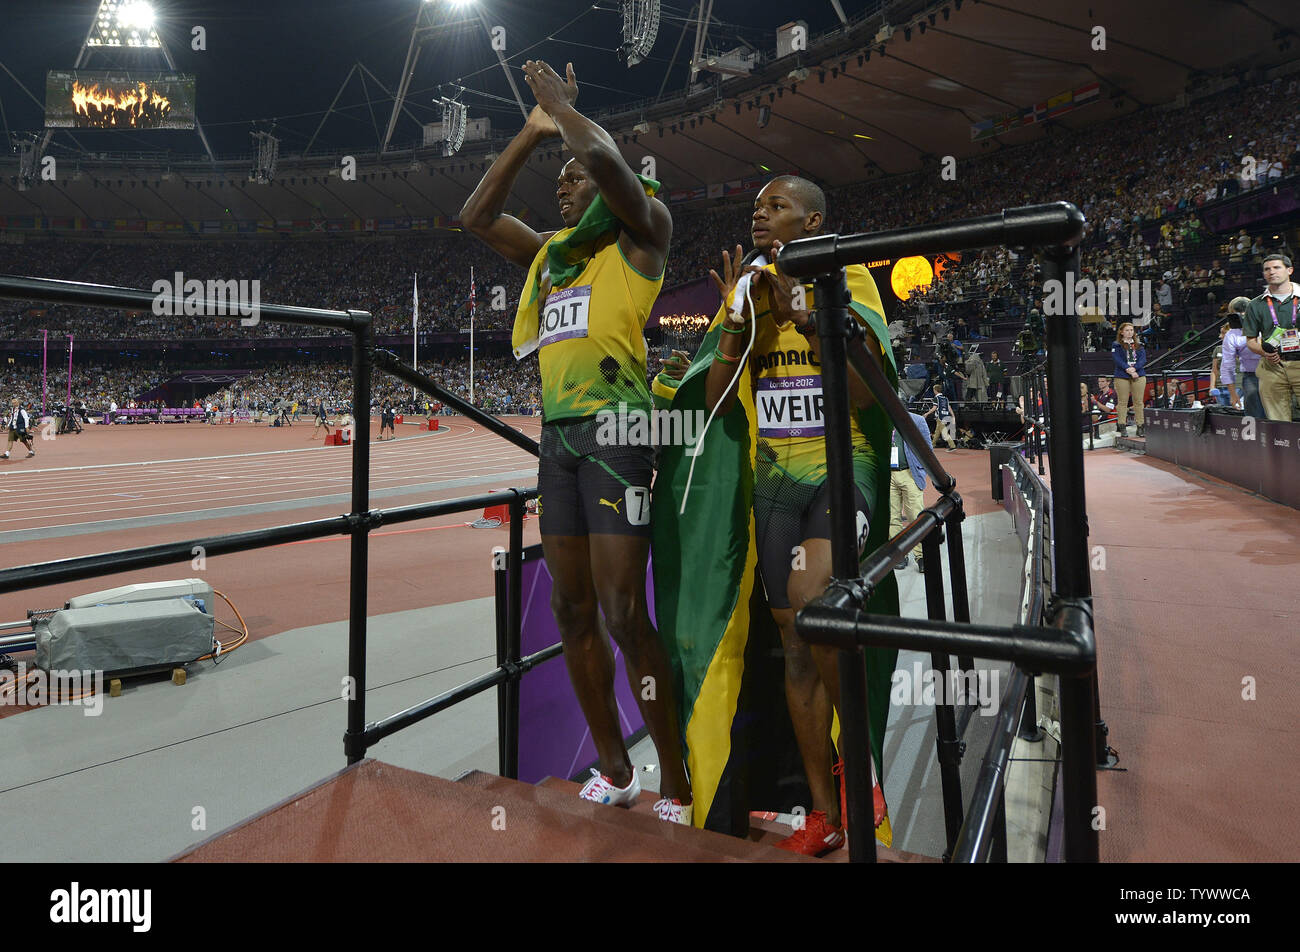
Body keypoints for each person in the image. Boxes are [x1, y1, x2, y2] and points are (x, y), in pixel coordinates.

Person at [461, 59, 692, 823]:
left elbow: (604, 160)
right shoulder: (552, 258)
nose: (563, 185)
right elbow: (476, 216)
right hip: (559, 440)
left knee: (626, 614)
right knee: (570, 610)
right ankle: (618, 768)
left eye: (573, 176)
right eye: (557, 178)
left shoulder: (642, 235)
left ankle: (681, 782)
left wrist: (561, 108)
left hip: (618, 433)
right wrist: (531, 133)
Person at [693, 175, 896, 854]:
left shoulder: (851, 280)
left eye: (776, 206)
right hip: (776, 481)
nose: (760, 213)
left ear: (811, 223)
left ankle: (857, 768)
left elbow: (865, 395)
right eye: (756, 205)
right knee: (795, 642)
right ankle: (821, 811)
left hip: (842, 470)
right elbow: (719, 403)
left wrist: (807, 311)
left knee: (814, 599)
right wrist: (736, 328)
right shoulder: (748, 290)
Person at [1243, 254, 1300, 421]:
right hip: (1272, 366)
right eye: (1267, 269)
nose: (1271, 272)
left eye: (1276, 267)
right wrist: (1265, 352)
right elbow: (1251, 341)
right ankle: (1285, 448)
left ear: (1289, 270)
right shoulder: (1255, 304)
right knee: (1278, 420)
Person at [890, 408, 930, 573]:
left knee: (915, 517)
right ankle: (899, 554)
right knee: (892, 518)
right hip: (889, 474)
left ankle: (921, 556)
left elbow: (927, 449)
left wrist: (920, 470)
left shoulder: (917, 420)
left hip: (910, 473)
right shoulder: (883, 421)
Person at [1221, 298, 1262, 416]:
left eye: (1245, 310)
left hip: (1274, 371)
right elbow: (1227, 365)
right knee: (1255, 415)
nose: (1243, 314)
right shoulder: (1232, 335)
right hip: (1252, 376)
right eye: (1239, 312)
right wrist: (1233, 394)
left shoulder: (1264, 323)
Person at [1112, 322, 1147, 436]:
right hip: (1122, 375)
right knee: (1123, 402)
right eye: (1127, 330)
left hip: (1138, 374)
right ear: (1121, 332)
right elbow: (1117, 359)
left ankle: (1140, 426)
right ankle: (1122, 426)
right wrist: (1128, 368)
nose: (1130, 332)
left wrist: (1134, 369)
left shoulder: (1139, 344)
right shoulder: (1116, 344)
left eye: (1131, 330)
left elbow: (1143, 359)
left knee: (1138, 402)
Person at [926, 383, 957, 450]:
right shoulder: (945, 398)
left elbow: (934, 408)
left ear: (935, 390)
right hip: (945, 416)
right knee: (937, 432)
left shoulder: (936, 398)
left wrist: (926, 414)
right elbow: (949, 407)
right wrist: (953, 415)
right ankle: (932, 444)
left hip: (939, 417)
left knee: (944, 432)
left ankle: (952, 446)